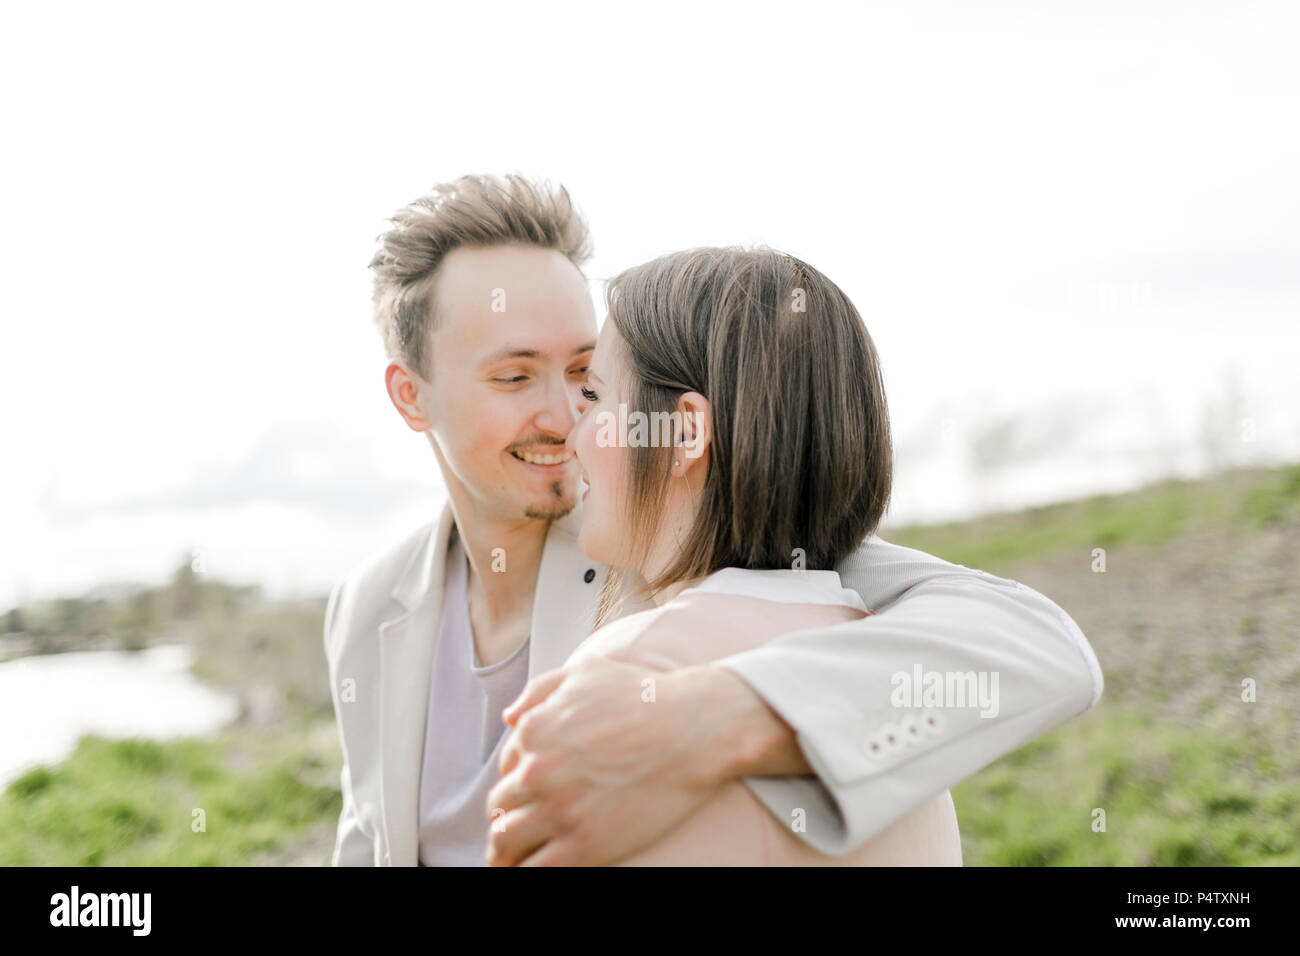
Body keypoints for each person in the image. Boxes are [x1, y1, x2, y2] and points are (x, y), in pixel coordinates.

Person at [323, 174, 1104, 866]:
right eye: (515, 376)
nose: (565, 417)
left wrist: (717, 717)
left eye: (583, 375)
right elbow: (368, 839)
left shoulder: (678, 539)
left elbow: (1038, 645)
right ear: (410, 395)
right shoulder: (364, 606)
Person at [531, 245, 965, 864]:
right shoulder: (886, 673)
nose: (573, 437)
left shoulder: (629, 673)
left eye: (596, 398)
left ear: (684, 433)